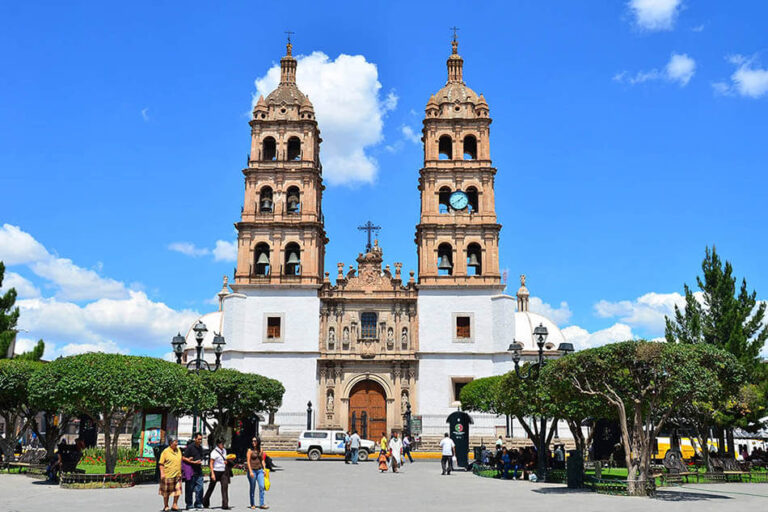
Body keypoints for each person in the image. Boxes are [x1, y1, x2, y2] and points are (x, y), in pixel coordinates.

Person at [203, 439, 230, 510]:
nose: (223, 445)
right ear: (218, 444)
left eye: (223, 443)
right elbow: (211, 463)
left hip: (223, 471)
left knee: (225, 487)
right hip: (215, 471)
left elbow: (224, 459)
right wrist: (212, 474)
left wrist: (226, 462)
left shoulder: (224, 450)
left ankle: (225, 504)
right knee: (211, 487)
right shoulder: (214, 452)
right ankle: (205, 501)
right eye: (221, 443)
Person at [159, 436, 183, 512]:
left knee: (177, 491)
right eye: (175, 442)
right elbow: (161, 464)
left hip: (177, 474)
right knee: (166, 492)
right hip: (168, 475)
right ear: (170, 443)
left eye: (177, 441)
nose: (177, 443)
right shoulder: (165, 451)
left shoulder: (178, 450)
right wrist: (162, 473)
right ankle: (166, 506)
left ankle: (175, 505)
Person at [183, 433, 205, 510]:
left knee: (200, 488)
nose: (200, 441)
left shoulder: (200, 448)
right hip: (190, 471)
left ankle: (198, 503)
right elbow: (183, 457)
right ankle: (189, 505)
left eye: (201, 439)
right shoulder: (190, 447)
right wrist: (192, 462)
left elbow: (201, 456)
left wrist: (200, 461)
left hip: (198, 470)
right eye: (199, 439)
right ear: (195, 439)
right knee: (189, 489)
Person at [247, 437, 268, 510]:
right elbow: (248, 461)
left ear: (258, 442)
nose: (253, 442)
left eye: (255, 441)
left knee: (262, 486)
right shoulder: (250, 450)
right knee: (252, 487)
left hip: (259, 470)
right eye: (252, 441)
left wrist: (264, 469)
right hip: (252, 471)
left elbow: (262, 460)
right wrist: (250, 471)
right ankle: (252, 504)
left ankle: (262, 503)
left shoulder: (260, 450)